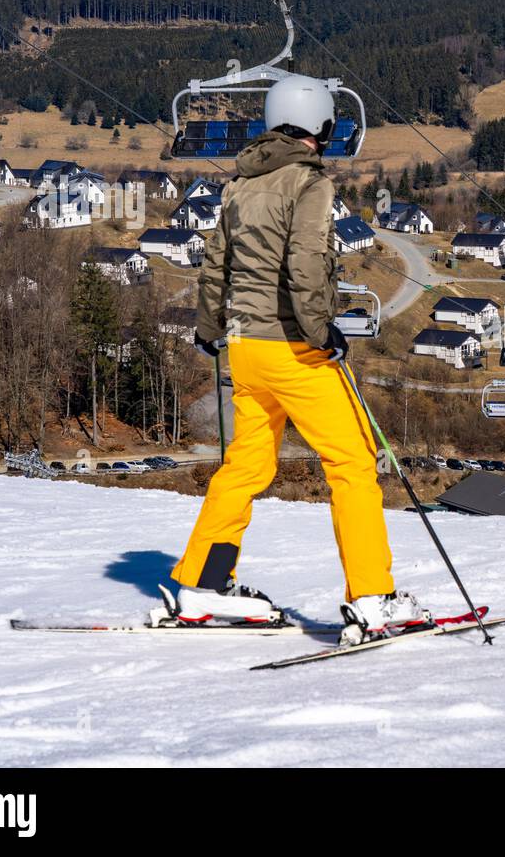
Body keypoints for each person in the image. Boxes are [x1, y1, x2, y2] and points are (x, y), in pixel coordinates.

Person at [172, 74, 422, 642]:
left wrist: (210, 327)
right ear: (321, 127)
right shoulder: (308, 184)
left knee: (247, 467)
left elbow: (216, 264)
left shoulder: (239, 184)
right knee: (354, 463)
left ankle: (202, 585)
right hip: (292, 349)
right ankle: (373, 597)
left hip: (245, 348)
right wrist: (321, 331)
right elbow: (307, 261)